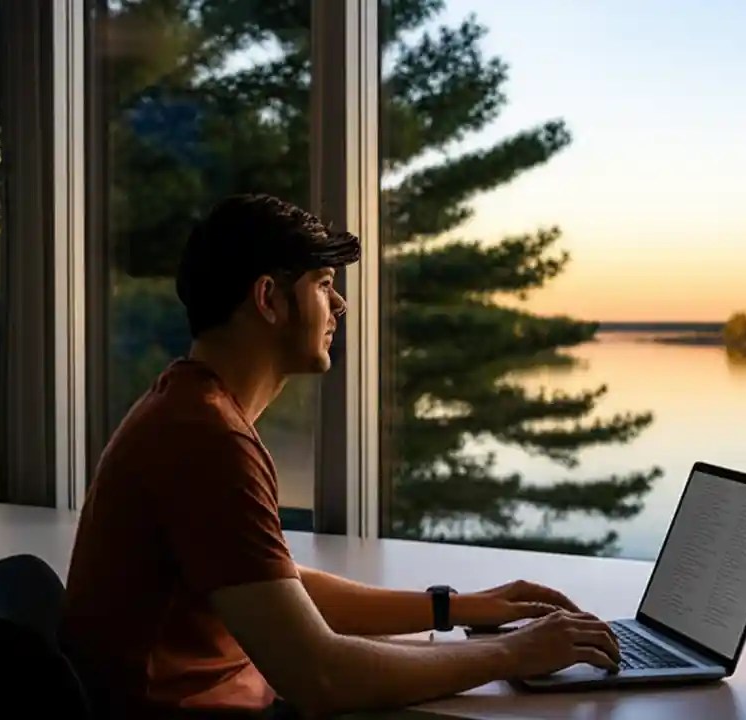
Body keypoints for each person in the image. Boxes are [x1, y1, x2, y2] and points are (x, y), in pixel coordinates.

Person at [60, 194, 620, 719]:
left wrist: (461, 608)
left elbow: (279, 588)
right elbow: (322, 677)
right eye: (324, 283)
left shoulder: (188, 408)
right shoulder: (207, 441)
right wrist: (515, 655)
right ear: (269, 299)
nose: (340, 304)